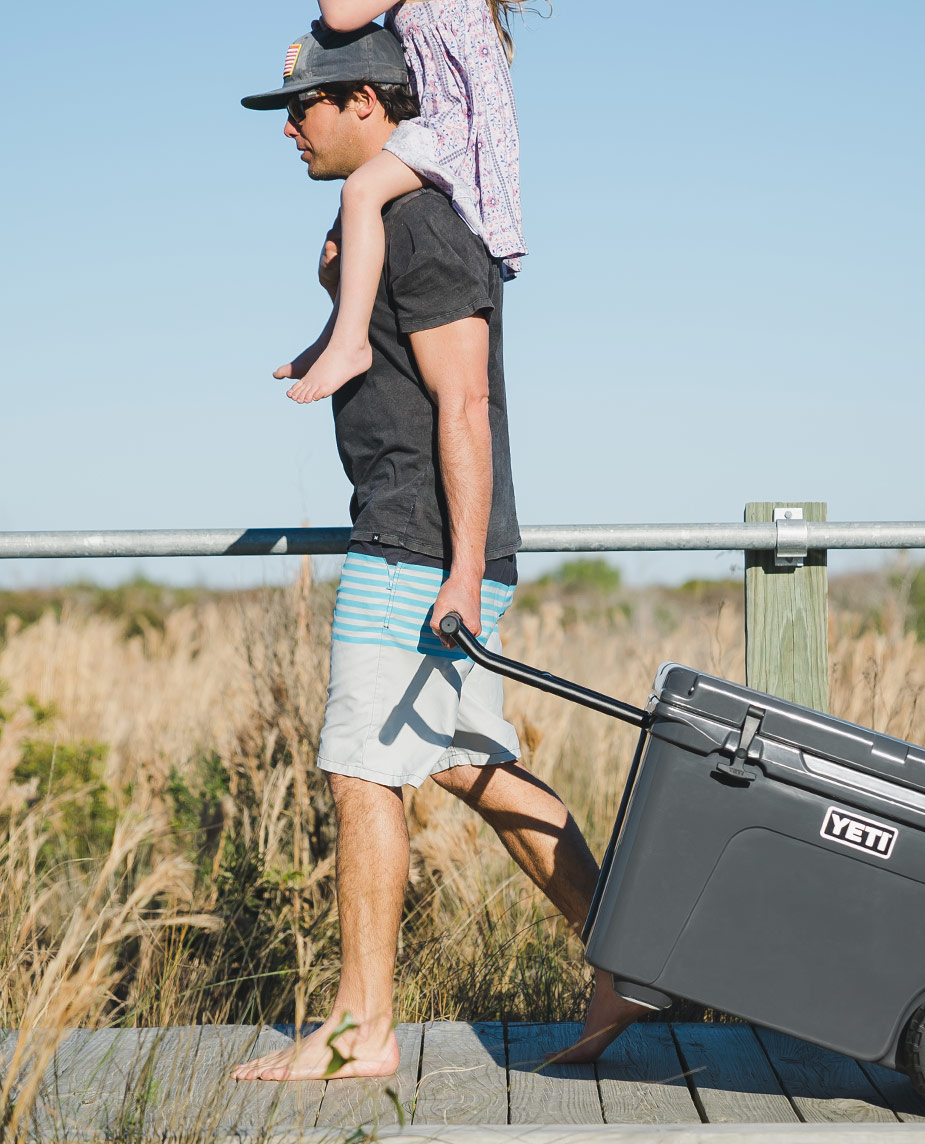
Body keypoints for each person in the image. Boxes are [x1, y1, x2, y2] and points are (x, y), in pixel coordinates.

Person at [235, 22, 636, 1081]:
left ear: (371, 103)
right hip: (430, 539)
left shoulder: (419, 223)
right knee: (466, 764)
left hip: (418, 543)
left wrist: (460, 569)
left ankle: (361, 1031)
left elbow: (463, 403)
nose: (291, 130)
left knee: (359, 770)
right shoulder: (387, 227)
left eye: (305, 109)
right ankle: (628, 956)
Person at [275, 0, 527, 406]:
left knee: (359, 191)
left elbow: (340, 14)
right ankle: (334, 336)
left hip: (450, 124)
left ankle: (351, 345)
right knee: (350, 222)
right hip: (439, 118)